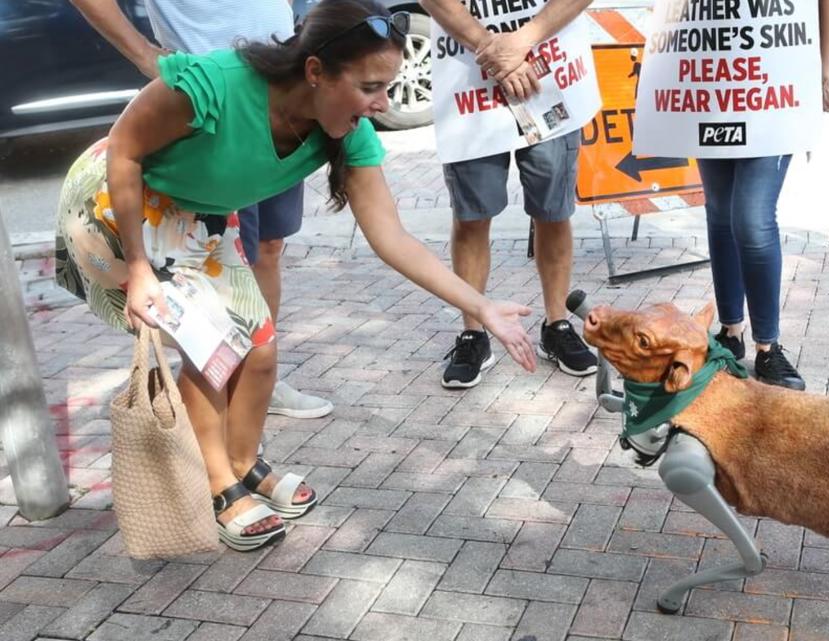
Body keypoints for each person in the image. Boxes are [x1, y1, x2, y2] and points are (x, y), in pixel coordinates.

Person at [55, 0, 537, 551]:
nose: (383, 103)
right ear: (315, 71)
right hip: (115, 209)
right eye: (370, 86)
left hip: (198, 216)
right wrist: (139, 269)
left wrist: (481, 306)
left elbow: (393, 239)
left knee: (259, 349)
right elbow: (123, 150)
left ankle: (241, 462)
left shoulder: (348, 132)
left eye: (387, 87)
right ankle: (218, 487)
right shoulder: (212, 84)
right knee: (214, 352)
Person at [71, 0, 337, 419]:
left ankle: (252, 379)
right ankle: (219, 388)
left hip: (286, 90)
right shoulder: (206, 87)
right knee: (217, 268)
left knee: (268, 249)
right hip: (213, 102)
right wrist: (142, 52)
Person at [420, 0, 598, 389]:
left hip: (547, 74)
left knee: (553, 212)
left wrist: (523, 40)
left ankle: (556, 324)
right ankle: (474, 332)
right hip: (469, 82)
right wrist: (496, 50)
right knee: (471, 217)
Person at [705, 0, 829, 392]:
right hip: (710, 86)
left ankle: (768, 345)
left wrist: (823, 72)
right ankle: (731, 332)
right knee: (720, 212)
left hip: (774, 89)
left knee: (751, 218)